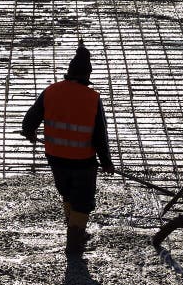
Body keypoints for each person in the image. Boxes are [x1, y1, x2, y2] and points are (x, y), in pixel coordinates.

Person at [22, 41, 115, 255]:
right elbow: (101, 135)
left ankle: (72, 229)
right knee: (82, 201)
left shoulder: (52, 91)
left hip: (55, 157)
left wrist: (30, 133)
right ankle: (75, 243)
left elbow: (31, 118)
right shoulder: (93, 98)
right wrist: (107, 163)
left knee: (67, 193)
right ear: (87, 75)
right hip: (83, 161)